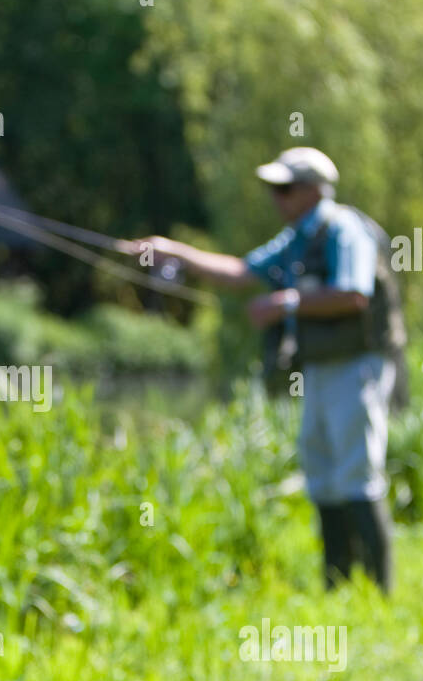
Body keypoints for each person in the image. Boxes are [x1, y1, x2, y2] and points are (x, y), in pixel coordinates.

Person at [132, 147, 400, 593]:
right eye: (274, 189)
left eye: (285, 188)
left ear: (313, 191)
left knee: (357, 470)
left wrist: (285, 303)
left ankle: (380, 591)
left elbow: (353, 294)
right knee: (320, 469)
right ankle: (337, 586)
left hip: (357, 366)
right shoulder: (296, 237)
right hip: (320, 367)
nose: (276, 198)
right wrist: (170, 252)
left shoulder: (344, 229)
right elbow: (240, 272)